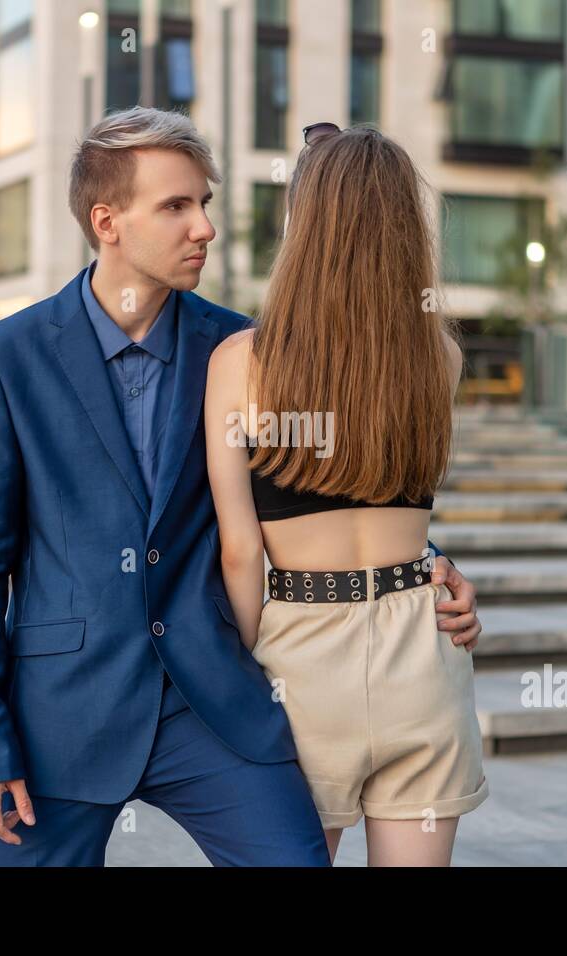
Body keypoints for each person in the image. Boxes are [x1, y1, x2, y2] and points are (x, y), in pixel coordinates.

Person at [0, 106, 481, 867]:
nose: (206, 229)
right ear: (107, 221)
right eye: (177, 206)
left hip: (213, 705)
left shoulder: (238, 347)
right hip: (65, 713)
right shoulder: (7, 356)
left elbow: (319, 480)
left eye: (206, 204)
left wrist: (429, 561)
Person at [204, 122, 488, 867]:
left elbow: (240, 553)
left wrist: (239, 670)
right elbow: (385, 496)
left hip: (299, 659)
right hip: (421, 652)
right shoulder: (442, 355)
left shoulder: (241, 363)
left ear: (304, 225)